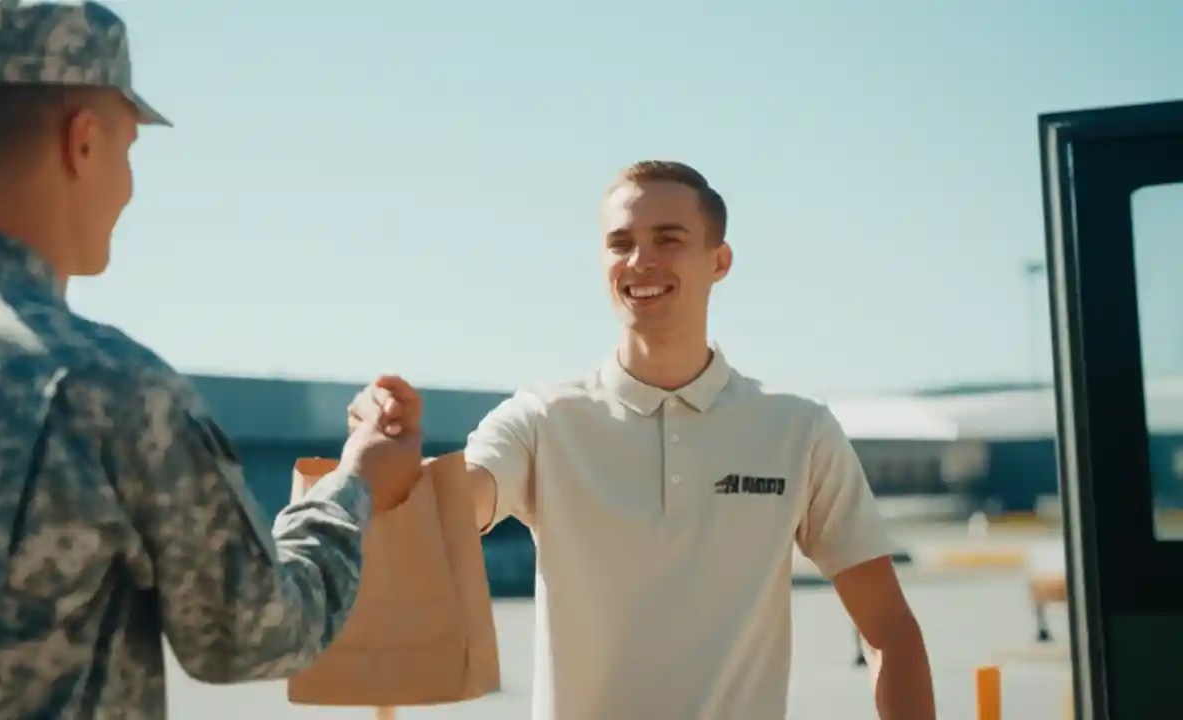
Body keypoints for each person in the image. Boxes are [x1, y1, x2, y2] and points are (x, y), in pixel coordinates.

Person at [0, 2, 423, 718]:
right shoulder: (109, 393)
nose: (128, 186)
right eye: (127, 152)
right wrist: (355, 485)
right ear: (82, 143)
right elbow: (251, 633)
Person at [351, 161, 936, 719]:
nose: (640, 261)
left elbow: (888, 629)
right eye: (620, 242)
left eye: (668, 238)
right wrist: (389, 458)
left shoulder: (799, 429)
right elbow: (458, 499)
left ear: (721, 260)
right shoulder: (543, 417)